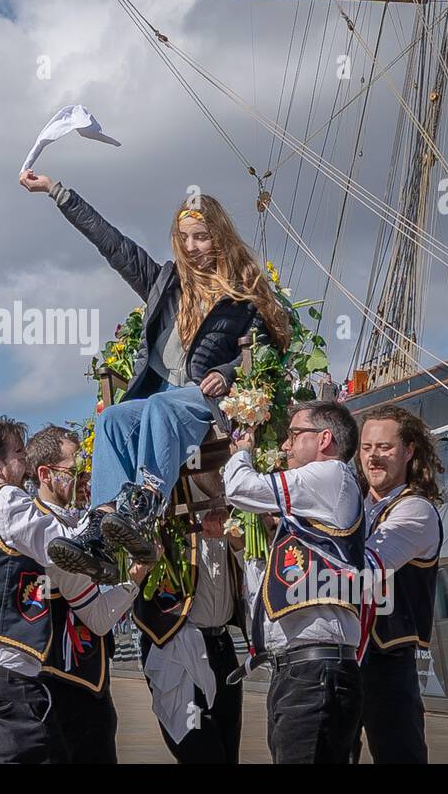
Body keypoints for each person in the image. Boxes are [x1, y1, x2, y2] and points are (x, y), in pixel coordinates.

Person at [19, 171, 289, 575]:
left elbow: (269, 346)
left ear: (219, 238)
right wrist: (57, 192)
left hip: (201, 398)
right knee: (112, 418)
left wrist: (228, 372)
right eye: (185, 238)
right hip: (157, 398)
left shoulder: (240, 296)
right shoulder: (164, 282)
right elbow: (111, 243)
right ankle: (101, 532)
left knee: (161, 405)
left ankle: (145, 504)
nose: (192, 246)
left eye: (201, 236)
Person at [0, 417, 149, 764]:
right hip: (2, 688)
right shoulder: (4, 498)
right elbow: (65, 547)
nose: (27, 466)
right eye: (19, 454)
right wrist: (110, 519)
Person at [223, 401, 369, 764]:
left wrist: (242, 451)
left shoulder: (330, 473)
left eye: (293, 435)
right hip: (303, 672)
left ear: (324, 438)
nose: (285, 446)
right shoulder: (321, 492)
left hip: (315, 673)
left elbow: (240, 488)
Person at [27, 425, 149, 764]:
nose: (85, 479)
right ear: (45, 474)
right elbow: (96, 617)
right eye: (75, 470)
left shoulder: (85, 523)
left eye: (87, 470)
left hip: (93, 680)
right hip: (57, 683)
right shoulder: (35, 527)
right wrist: (134, 581)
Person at [353, 404, 444, 764]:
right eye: (366, 448)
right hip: (343, 656)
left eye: (384, 448)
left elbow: (367, 569)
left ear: (409, 451)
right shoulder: (352, 508)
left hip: (386, 662)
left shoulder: (415, 510)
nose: (373, 457)